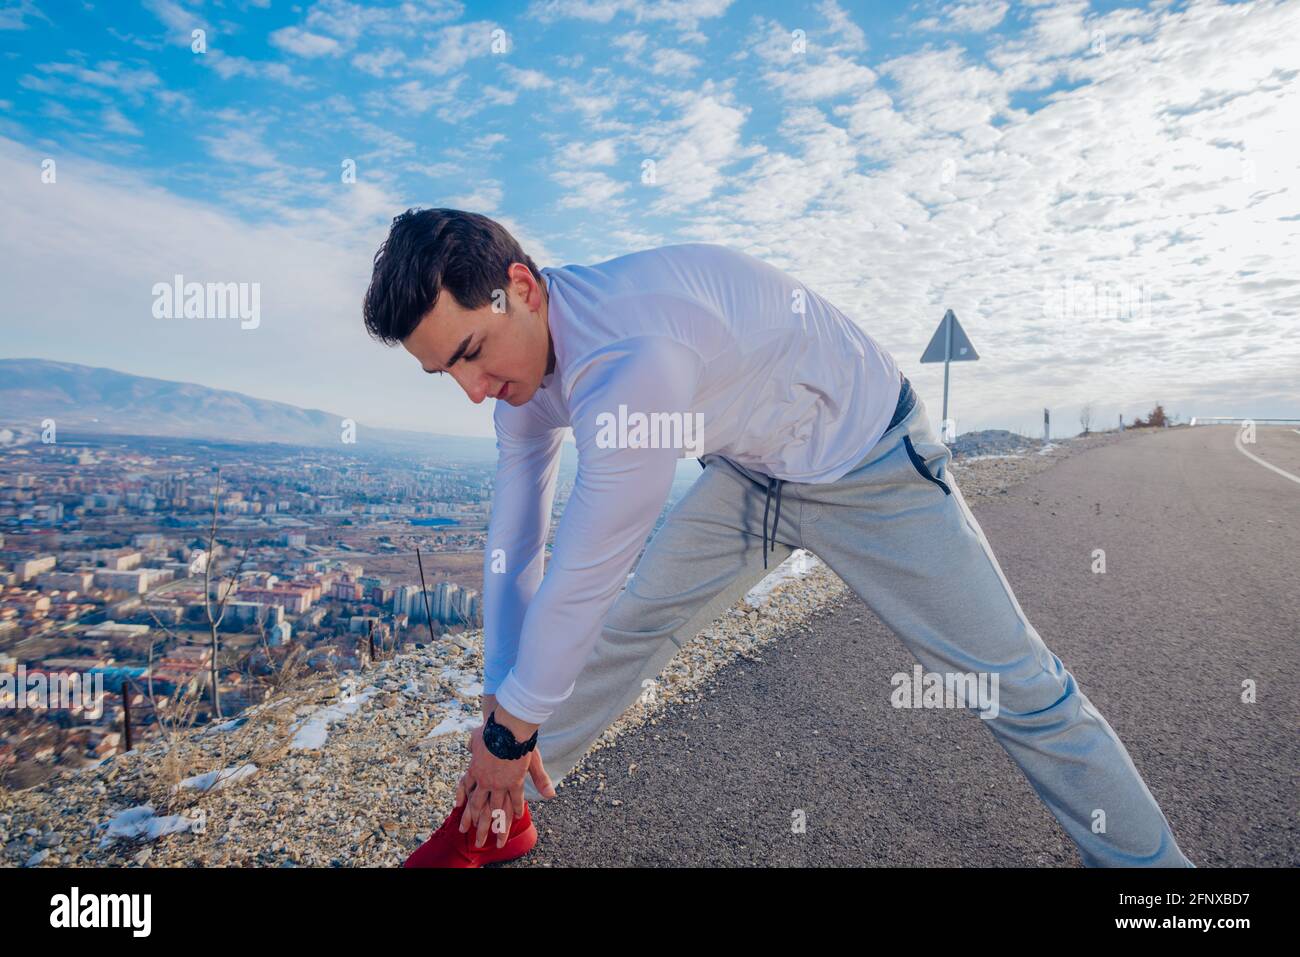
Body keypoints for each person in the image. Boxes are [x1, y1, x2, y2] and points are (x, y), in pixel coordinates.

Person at [362, 207, 1194, 869]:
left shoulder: (633, 358)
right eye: (449, 374)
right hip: (756, 471)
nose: (473, 391)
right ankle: (495, 820)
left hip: (869, 461)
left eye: (471, 353)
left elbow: (582, 568)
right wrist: (502, 698)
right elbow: (516, 537)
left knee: (1013, 684)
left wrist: (511, 727)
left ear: (521, 286)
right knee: (616, 637)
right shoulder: (522, 371)